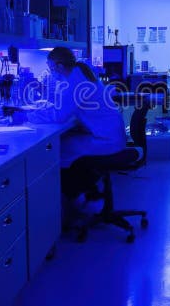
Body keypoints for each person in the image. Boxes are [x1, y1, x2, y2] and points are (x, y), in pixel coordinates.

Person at [28, 47, 127, 212]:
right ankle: (84, 189)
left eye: (51, 68)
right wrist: (42, 96)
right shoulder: (79, 73)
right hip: (110, 135)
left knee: (59, 149)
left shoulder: (76, 80)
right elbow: (65, 104)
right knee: (66, 143)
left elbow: (60, 115)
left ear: (60, 66)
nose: (51, 73)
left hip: (107, 140)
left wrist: (27, 117)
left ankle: (69, 200)